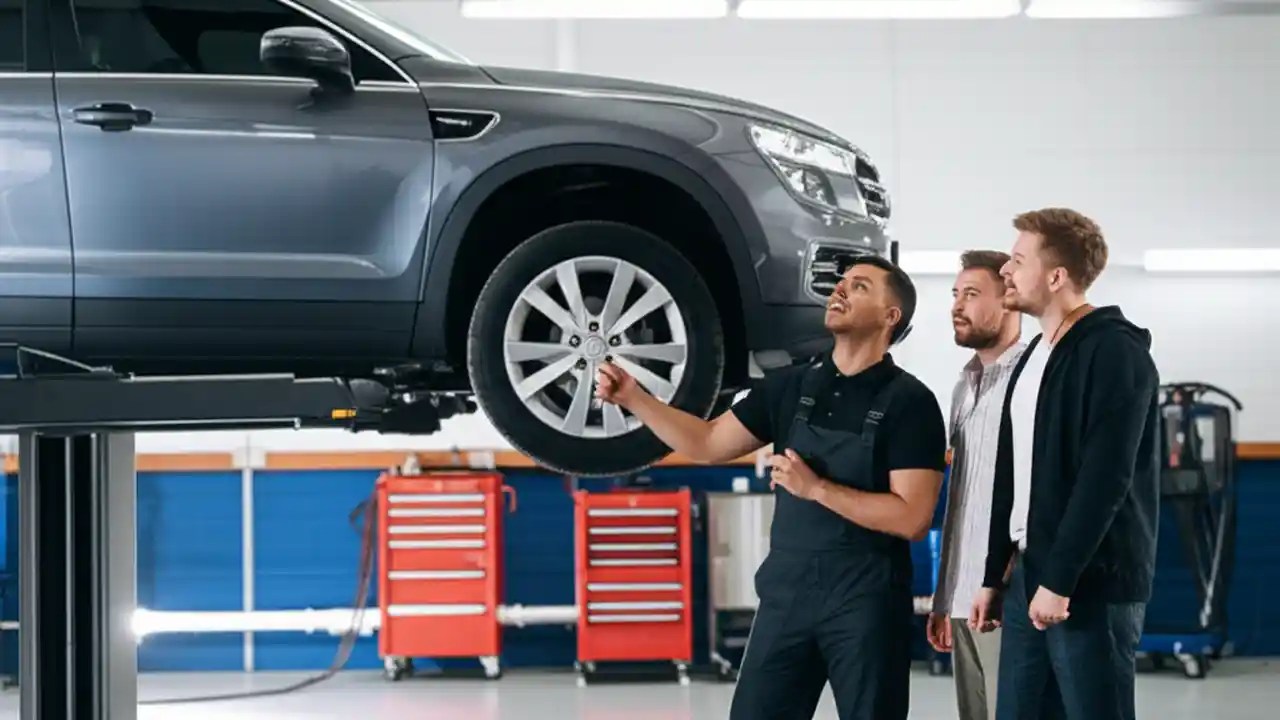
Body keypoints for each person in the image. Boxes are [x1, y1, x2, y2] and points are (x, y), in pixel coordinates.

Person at [595, 254, 947, 720]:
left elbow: (912, 518)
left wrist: (817, 489)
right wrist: (634, 398)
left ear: (890, 316)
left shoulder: (912, 403)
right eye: (840, 283)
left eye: (859, 286)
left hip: (866, 601)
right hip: (787, 593)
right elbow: (706, 442)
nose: (839, 290)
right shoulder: (790, 385)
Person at [970, 208, 1160, 720]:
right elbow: (1011, 473)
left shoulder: (1115, 352)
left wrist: (1060, 581)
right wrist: (994, 573)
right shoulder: (1035, 354)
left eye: (1016, 260)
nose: (1005, 272)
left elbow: (1106, 478)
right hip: (1030, 574)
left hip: (1087, 583)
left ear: (1056, 277)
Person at [927, 250, 1026, 720]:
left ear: (1009, 299)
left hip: (1006, 595)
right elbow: (961, 501)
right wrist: (944, 597)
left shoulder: (1033, 379)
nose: (956, 305)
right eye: (954, 294)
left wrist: (1001, 580)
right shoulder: (963, 387)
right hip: (964, 598)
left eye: (971, 294)